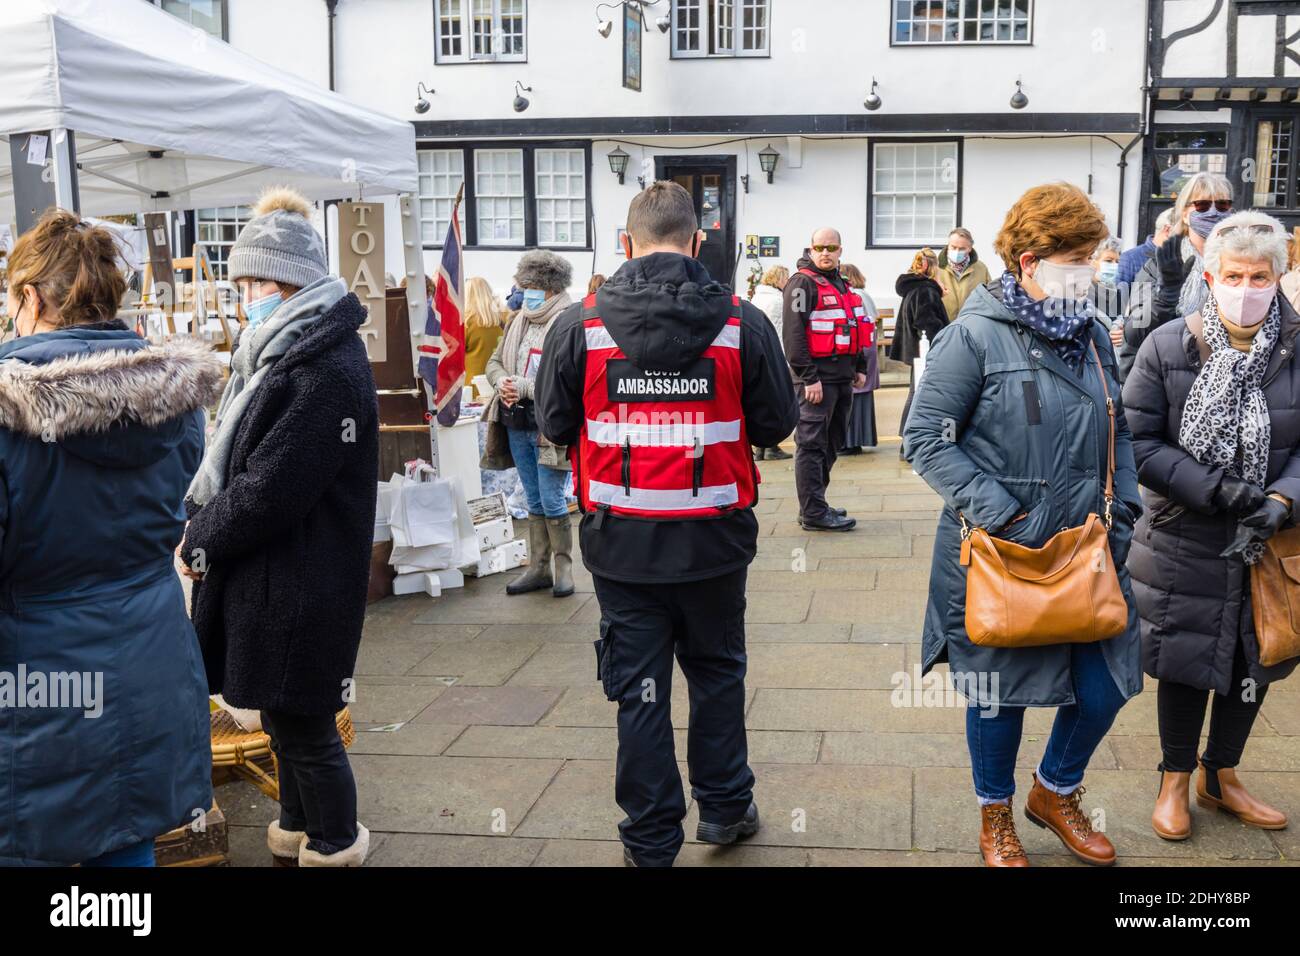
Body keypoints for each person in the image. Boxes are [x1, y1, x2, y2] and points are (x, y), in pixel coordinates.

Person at [535, 180, 796, 867]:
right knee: (716, 674)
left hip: (622, 547)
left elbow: (555, 423)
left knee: (640, 691)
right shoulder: (743, 323)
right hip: (714, 542)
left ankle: (650, 842)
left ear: (626, 243)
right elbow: (775, 423)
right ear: (697, 243)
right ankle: (726, 808)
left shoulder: (580, 326)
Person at [904, 183, 1144, 867]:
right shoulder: (972, 336)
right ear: (1031, 261)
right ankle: (995, 816)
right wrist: (1005, 513)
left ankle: (1055, 790)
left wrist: (1124, 507)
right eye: (1077, 259)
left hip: (1090, 549)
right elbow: (925, 438)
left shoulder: (1094, 334)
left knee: (1106, 687)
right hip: (1000, 554)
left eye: (1093, 259)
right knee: (998, 695)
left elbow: (1117, 426)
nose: (1090, 272)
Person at [0, 211, 221, 867]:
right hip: (148, 659)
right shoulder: (175, 403)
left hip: (34, 683)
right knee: (125, 850)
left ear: (32, 298)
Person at [180, 187, 379, 867]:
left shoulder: (322, 364)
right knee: (285, 711)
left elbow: (271, 487)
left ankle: (335, 840)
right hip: (286, 572)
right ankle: (296, 823)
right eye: (241, 282)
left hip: (304, 574)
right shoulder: (289, 348)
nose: (245, 295)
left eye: (254, 281)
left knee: (304, 719)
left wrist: (202, 536)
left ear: (291, 281)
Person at [1123, 211, 1298, 841]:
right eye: (1233, 274)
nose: (1246, 287)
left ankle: (1221, 775)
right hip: (1184, 531)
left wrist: (1281, 499)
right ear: (1211, 273)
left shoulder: (1298, 348)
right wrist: (1221, 490)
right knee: (1185, 656)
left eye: (1259, 275)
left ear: (1280, 276)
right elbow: (1139, 442)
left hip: (1271, 538)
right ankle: (1175, 777)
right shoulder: (1170, 344)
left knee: (1257, 659)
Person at [483, 250, 575, 597]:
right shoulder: (519, 320)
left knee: (551, 497)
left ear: (550, 288)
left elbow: (568, 379)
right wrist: (502, 382)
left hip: (549, 423)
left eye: (531, 286)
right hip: (515, 419)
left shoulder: (567, 321)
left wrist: (525, 387)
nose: (524, 292)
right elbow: (495, 360)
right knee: (534, 497)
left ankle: (563, 569)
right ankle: (539, 568)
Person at [783, 229, 870, 531]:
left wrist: (859, 367)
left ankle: (814, 503)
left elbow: (853, 325)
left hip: (842, 378)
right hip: (816, 381)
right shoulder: (801, 284)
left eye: (831, 247)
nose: (825, 252)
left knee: (832, 443)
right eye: (819, 247)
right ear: (810, 248)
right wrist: (809, 378)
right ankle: (814, 513)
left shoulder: (841, 284)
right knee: (811, 445)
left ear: (840, 250)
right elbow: (793, 336)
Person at [1121, 172, 1234, 368]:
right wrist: (1165, 297)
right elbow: (1134, 332)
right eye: (1203, 205)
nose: (1214, 212)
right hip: (1167, 371)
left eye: (1222, 205)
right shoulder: (1158, 265)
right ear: (1184, 214)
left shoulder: (1243, 266)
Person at [890, 247, 948, 454]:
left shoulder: (913, 287)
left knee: (915, 394)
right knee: (918, 395)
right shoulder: (926, 290)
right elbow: (928, 323)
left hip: (915, 350)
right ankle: (908, 442)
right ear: (932, 267)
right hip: (926, 351)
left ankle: (907, 441)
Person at [1111, 209, 1174, 371]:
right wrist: (1122, 327)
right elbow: (1120, 300)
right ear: (1167, 229)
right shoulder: (1131, 257)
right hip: (1136, 343)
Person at [749, 265, 792, 460]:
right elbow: (783, 331)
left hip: (757, 353)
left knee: (761, 399)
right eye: (786, 278)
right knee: (776, 400)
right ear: (779, 279)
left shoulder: (758, 296)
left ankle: (760, 449)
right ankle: (772, 447)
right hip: (775, 353)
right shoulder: (778, 300)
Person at [839, 263, 879, 454]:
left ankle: (851, 441)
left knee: (854, 396)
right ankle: (858, 439)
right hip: (868, 348)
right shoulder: (864, 295)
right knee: (862, 397)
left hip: (860, 349)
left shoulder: (854, 296)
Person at [936, 227, 991, 323]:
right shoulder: (935, 268)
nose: (956, 252)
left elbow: (990, 299)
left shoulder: (981, 268)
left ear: (969, 248)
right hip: (943, 328)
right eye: (953, 247)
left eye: (961, 249)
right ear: (948, 245)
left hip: (972, 328)